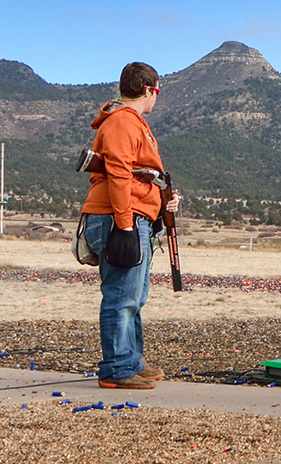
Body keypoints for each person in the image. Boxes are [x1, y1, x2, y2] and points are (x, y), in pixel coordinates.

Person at [81, 62, 180, 389]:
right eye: (158, 92)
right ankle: (117, 368)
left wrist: (161, 200)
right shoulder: (123, 121)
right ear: (150, 89)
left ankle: (130, 361)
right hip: (120, 217)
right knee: (122, 296)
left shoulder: (129, 122)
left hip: (131, 215)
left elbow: (134, 175)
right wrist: (124, 226)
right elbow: (120, 174)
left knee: (133, 296)